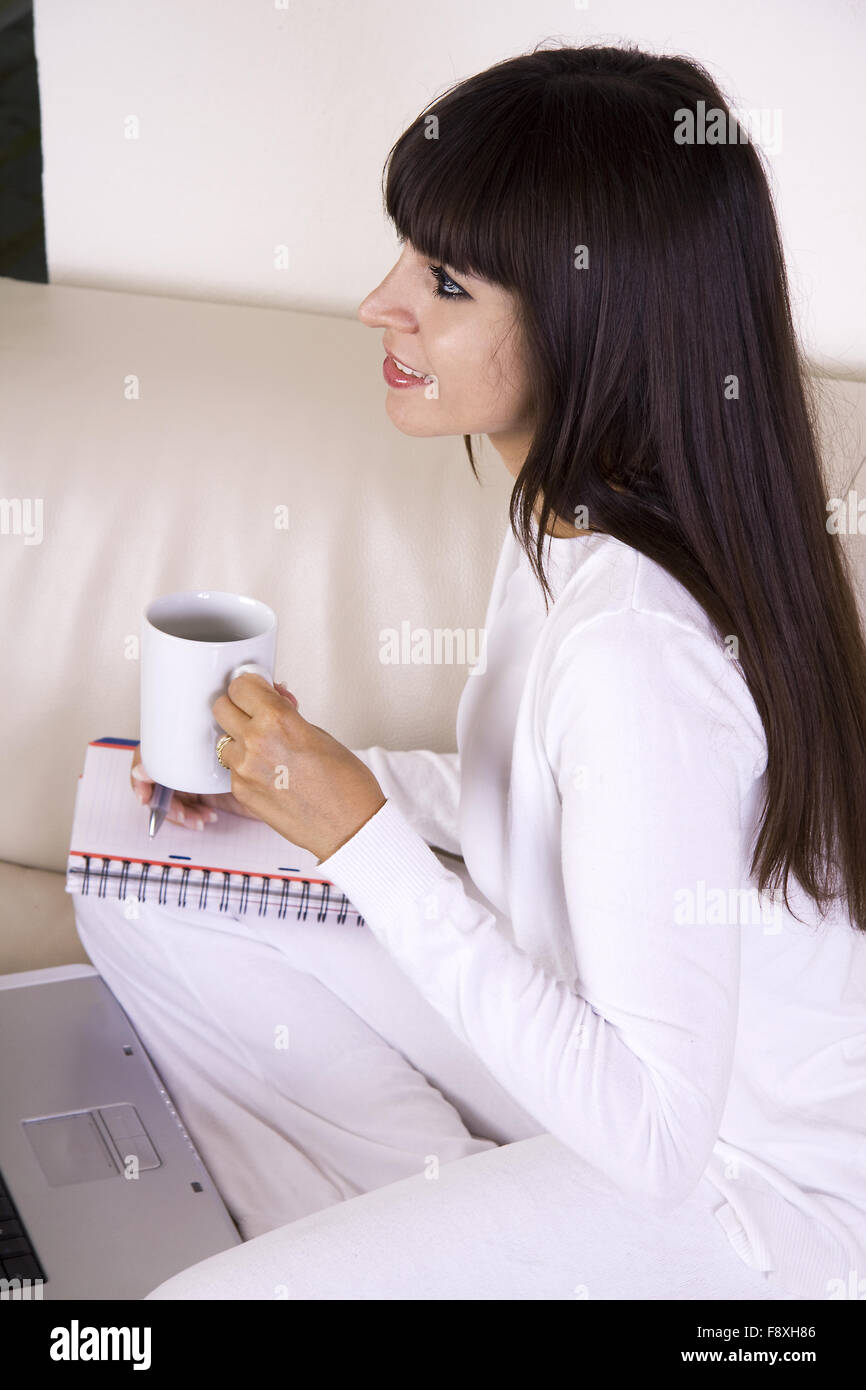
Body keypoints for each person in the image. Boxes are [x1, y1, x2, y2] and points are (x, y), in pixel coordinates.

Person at [74, 42, 866, 1301]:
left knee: (175, 1317)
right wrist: (320, 786)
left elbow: (660, 1136)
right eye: (407, 254)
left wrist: (361, 831)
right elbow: (570, 807)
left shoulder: (635, 648)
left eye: (442, 282)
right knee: (145, 861)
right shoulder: (569, 516)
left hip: (740, 1200)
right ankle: (444, 1230)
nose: (378, 303)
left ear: (584, 324)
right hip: (602, 1078)